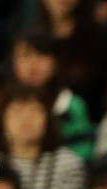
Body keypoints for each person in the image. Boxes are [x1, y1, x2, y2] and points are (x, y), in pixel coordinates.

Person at [0, 85, 85, 189]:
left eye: (34, 111)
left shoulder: (66, 163)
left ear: (48, 120)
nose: (25, 119)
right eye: (17, 112)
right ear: (2, 121)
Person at [8, 30, 95, 160]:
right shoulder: (4, 104)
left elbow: (84, 155)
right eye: (25, 56)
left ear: (55, 62)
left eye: (41, 55)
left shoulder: (72, 105)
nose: (33, 64)